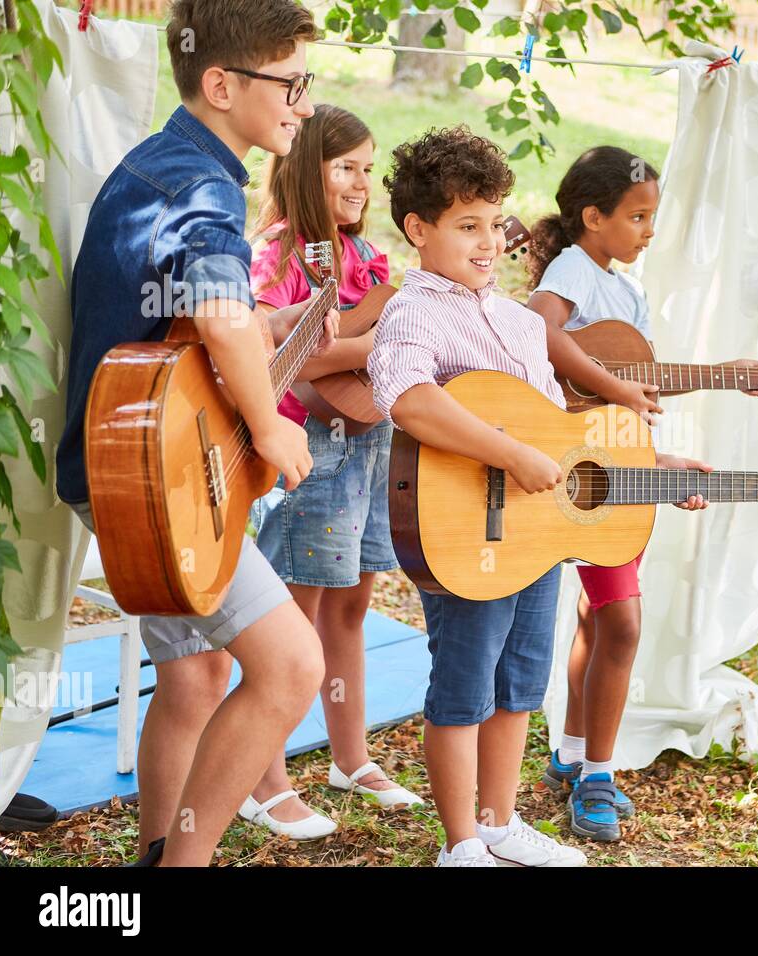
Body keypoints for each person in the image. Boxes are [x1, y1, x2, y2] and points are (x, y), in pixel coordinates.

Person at [54, 0, 333, 866]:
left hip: (128, 469)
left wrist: (260, 337)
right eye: (290, 83)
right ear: (221, 84)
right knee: (292, 667)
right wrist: (268, 427)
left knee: (199, 673)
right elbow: (216, 312)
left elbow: (194, 321)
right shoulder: (200, 182)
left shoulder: (162, 164)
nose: (303, 104)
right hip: (155, 483)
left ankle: (154, 857)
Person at [525, 145, 758, 841]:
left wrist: (724, 374)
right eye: (636, 217)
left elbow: (640, 378)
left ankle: (573, 757)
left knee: (598, 623)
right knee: (622, 622)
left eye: (653, 216)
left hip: (617, 473)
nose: (648, 230)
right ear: (591, 217)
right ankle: (600, 774)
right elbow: (535, 329)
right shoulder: (572, 270)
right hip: (569, 473)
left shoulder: (625, 293)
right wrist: (610, 386)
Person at [367, 127, 591, 867]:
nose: (490, 242)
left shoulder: (525, 323)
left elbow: (551, 431)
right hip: (464, 529)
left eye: (496, 224)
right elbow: (409, 399)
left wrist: (660, 463)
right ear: (419, 230)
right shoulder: (414, 311)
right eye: (468, 226)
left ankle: (499, 823)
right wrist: (506, 452)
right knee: (464, 682)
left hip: (535, 529)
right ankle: (461, 842)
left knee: (520, 681)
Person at [241, 103, 421, 841]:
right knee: (296, 617)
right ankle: (264, 776)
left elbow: (380, 341)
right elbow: (298, 358)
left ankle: (351, 757)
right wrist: (370, 342)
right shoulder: (280, 252)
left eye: (368, 169)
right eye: (345, 166)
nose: (360, 182)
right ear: (304, 167)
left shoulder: (367, 258)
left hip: (368, 442)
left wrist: (378, 334)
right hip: (306, 446)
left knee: (351, 605)